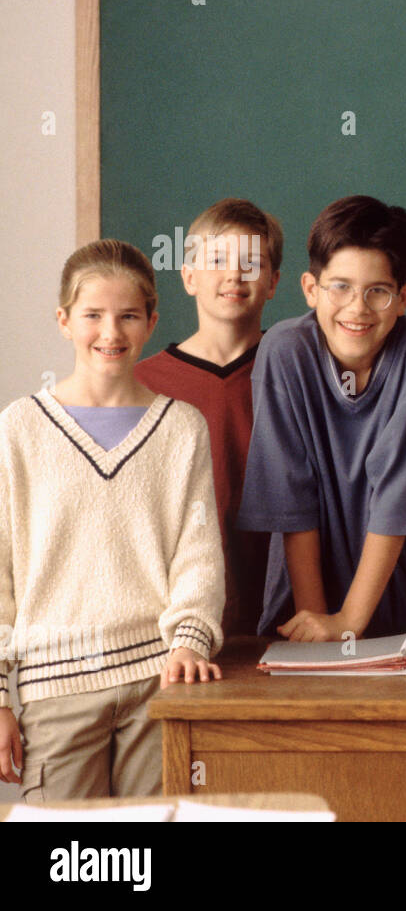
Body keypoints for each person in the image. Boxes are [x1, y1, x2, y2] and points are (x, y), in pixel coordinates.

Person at [0, 240, 224, 799]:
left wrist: (190, 641)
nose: (111, 332)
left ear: (151, 322)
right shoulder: (19, 429)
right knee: (70, 861)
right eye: (93, 315)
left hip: (159, 680)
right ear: (64, 320)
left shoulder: (181, 428)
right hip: (55, 689)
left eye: (128, 316)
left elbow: (197, 553)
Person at [238, 195, 406, 642]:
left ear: (403, 298)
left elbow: (399, 496)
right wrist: (317, 618)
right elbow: (291, 499)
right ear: (310, 289)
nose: (357, 308)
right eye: (339, 287)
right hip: (305, 592)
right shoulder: (285, 351)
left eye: (377, 291)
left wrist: (349, 621)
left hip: (401, 593)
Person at [137, 198, 281, 635]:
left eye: (251, 263)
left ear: (273, 282)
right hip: (174, 616)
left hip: (283, 604)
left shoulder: (296, 369)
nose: (234, 274)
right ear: (189, 277)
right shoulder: (141, 383)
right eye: (217, 259)